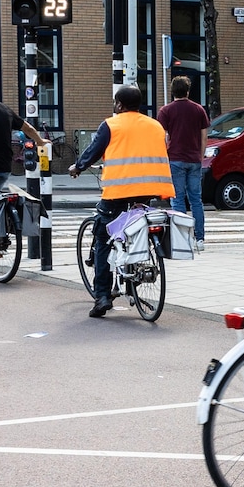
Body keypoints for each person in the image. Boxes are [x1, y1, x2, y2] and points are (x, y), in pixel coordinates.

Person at [68, 82, 176, 318]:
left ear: (119, 104)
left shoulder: (111, 124)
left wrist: (77, 167)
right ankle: (135, 270)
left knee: (102, 237)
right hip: (149, 191)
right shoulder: (156, 126)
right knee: (136, 229)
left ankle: (102, 297)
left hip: (118, 192)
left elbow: (93, 151)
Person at [155, 76, 210, 244]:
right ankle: (199, 238)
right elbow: (204, 136)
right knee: (196, 200)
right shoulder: (198, 110)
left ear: (172, 91)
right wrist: (200, 157)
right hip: (194, 159)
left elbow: (163, 137)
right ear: (188, 91)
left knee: (177, 199)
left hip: (175, 159)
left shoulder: (165, 111)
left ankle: (182, 238)